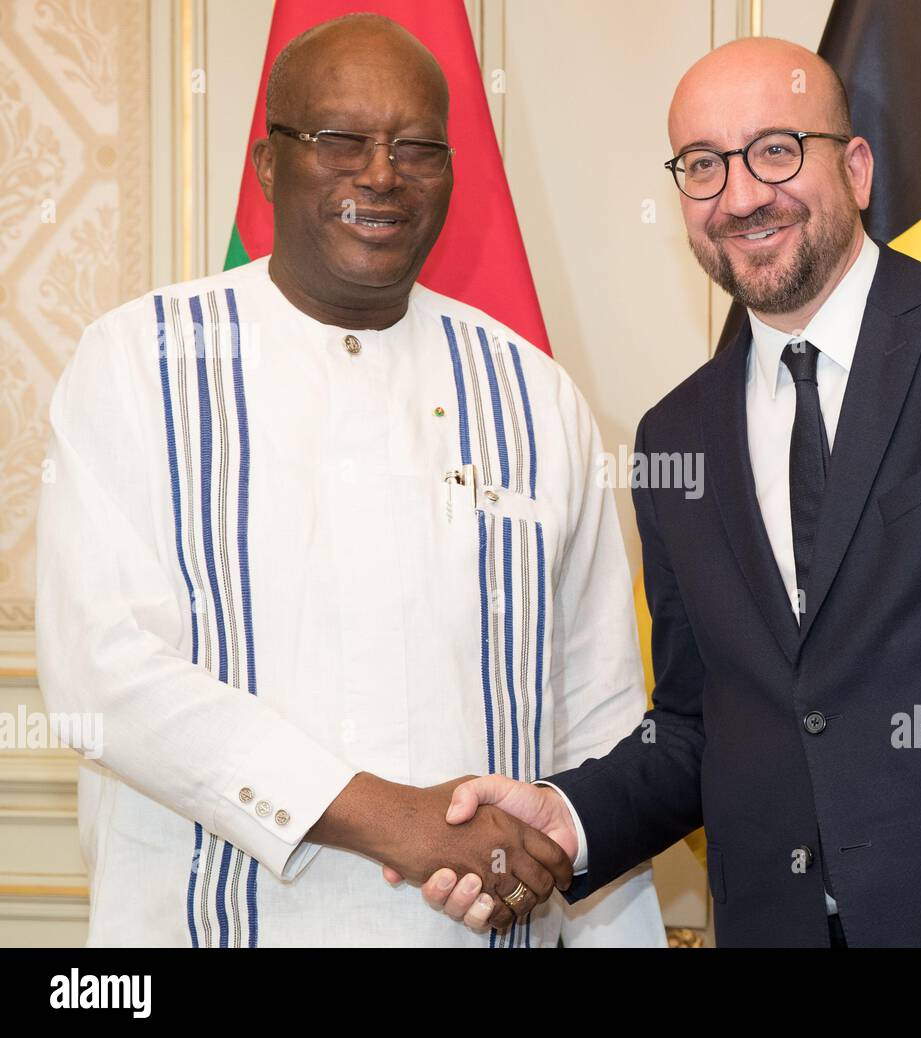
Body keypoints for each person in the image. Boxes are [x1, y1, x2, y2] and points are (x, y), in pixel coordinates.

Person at [411, 36, 921, 948]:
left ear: (855, 168)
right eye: (703, 166)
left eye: (775, 150)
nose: (739, 196)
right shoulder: (674, 439)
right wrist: (562, 818)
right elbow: (703, 724)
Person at [35, 13, 664, 948]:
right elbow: (105, 670)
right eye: (339, 141)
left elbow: (599, 714)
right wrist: (392, 818)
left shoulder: (536, 395)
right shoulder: (142, 361)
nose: (381, 175)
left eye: (417, 148)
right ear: (266, 166)